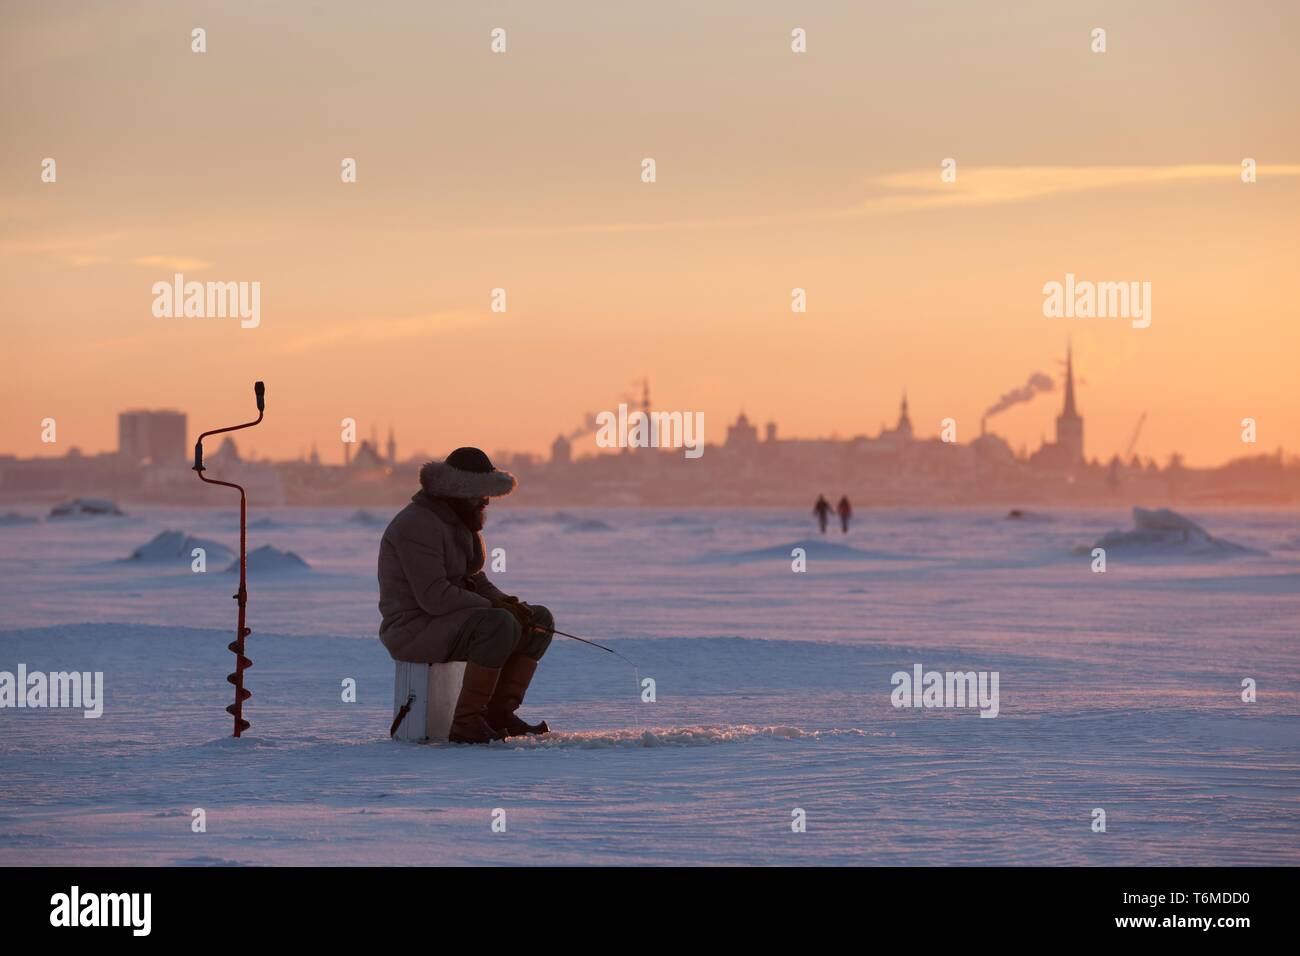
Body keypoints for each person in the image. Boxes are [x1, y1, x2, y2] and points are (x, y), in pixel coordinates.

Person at [377, 447, 553, 744]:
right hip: (413, 628)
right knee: (498, 624)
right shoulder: (417, 524)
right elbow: (434, 596)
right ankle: (467, 724)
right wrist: (495, 607)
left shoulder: (460, 522)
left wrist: (507, 602)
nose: (484, 502)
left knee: (538, 620)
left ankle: (499, 714)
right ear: (457, 493)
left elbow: (472, 578)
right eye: (479, 495)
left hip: (446, 621)